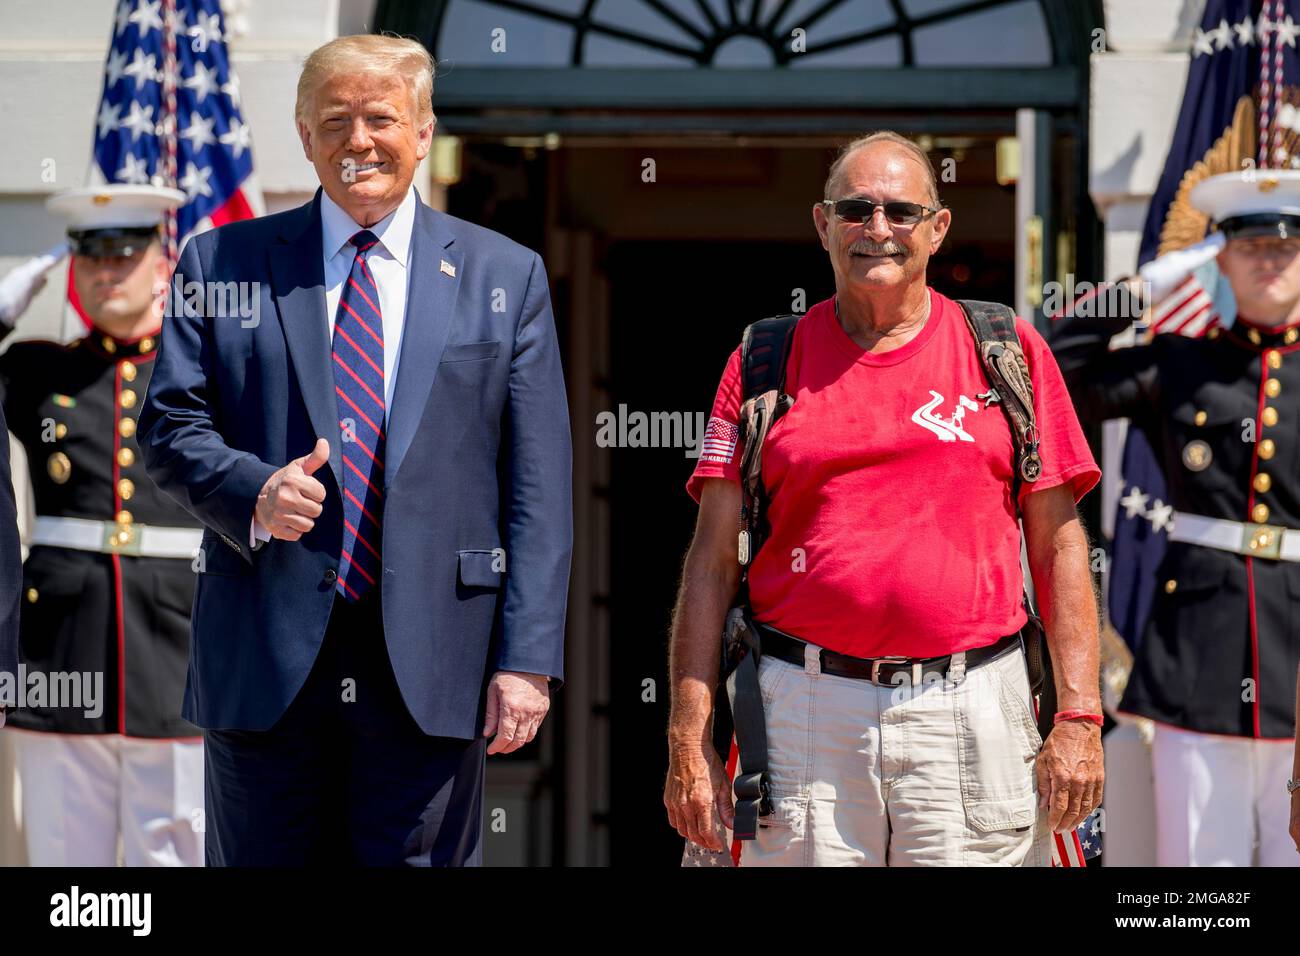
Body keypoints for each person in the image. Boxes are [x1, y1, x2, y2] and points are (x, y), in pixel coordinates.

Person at [138, 34, 572, 866]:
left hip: (436, 664)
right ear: (304, 135)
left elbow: (539, 490)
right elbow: (168, 428)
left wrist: (526, 661)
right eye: (335, 121)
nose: (359, 141)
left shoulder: (502, 274)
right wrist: (252, 491)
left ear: (423, 129)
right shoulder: (221, 261)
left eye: (381, 118)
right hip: (264, 662)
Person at [664, 130, 1104, 866]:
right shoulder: (763, 359)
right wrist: (688, 737)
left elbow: (1060, 545)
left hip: (972, 710)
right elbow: (711, 563)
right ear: (821, 223)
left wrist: (1080, 718)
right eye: (855, 209)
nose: (877, 229)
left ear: (938, 229)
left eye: (901, 211)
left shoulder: (1006, 349)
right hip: (804, 714)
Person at [1056, 169, 1300, 867]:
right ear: (1219, 258)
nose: (1269, 260)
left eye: (1285, 248)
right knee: (1198, 869)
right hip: (1199, 653)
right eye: (1249, 246)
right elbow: (1058, 375)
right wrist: (1146, 288)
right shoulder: (1181, 361)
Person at [0, 183, 205, 866]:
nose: (107, 272)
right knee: (64, 867)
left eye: (124, 255)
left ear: (162, 263)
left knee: (181, 848)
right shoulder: (35, 370)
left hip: (182, 653)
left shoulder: (204, 374)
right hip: (60, 652)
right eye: (91, 259)